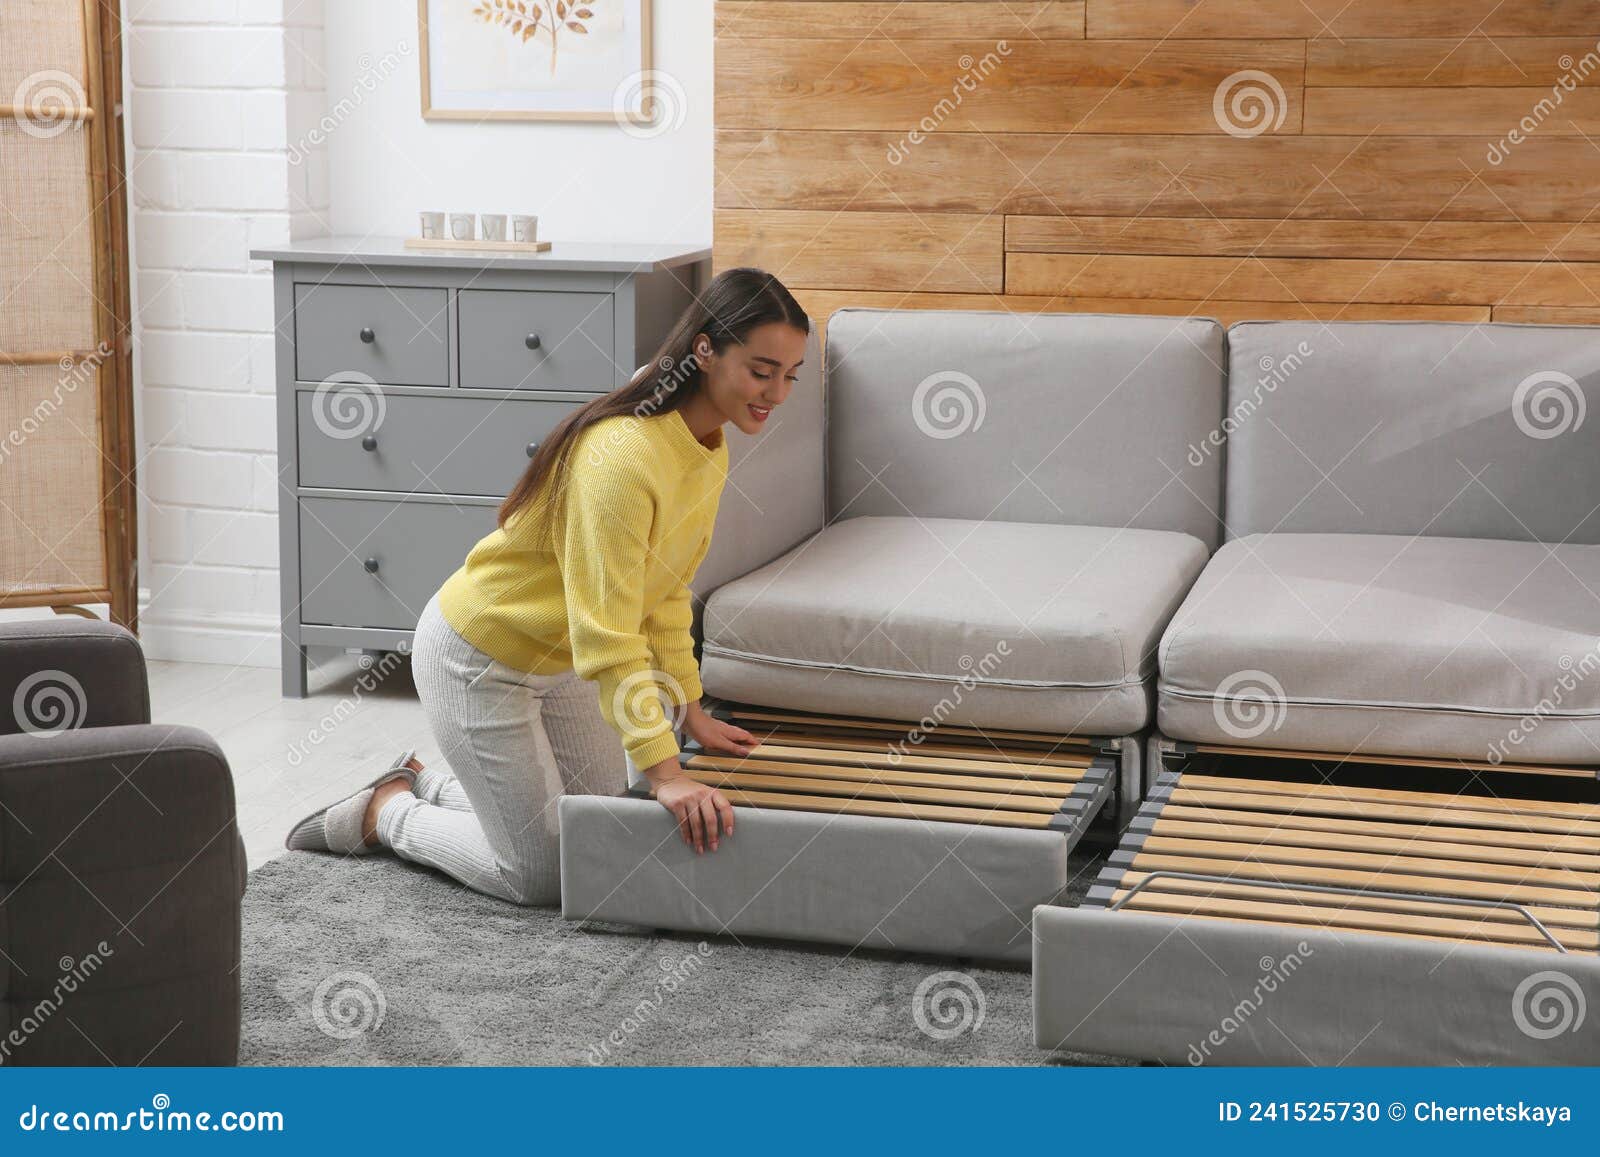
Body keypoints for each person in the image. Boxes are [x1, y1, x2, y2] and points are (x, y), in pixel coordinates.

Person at [287, 267, 811, 905]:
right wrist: (665, 773)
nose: (777, 393)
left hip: (563, 664)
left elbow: (667, 592)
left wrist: (690, 709)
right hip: (480, 659)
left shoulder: (707, 445)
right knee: (544, 876)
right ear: (704, 349)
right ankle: (385, 812)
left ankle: (425, 780)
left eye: (791, 374)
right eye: (762, 371)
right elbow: (609, 634)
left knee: (596, 837)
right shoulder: (622, 455)